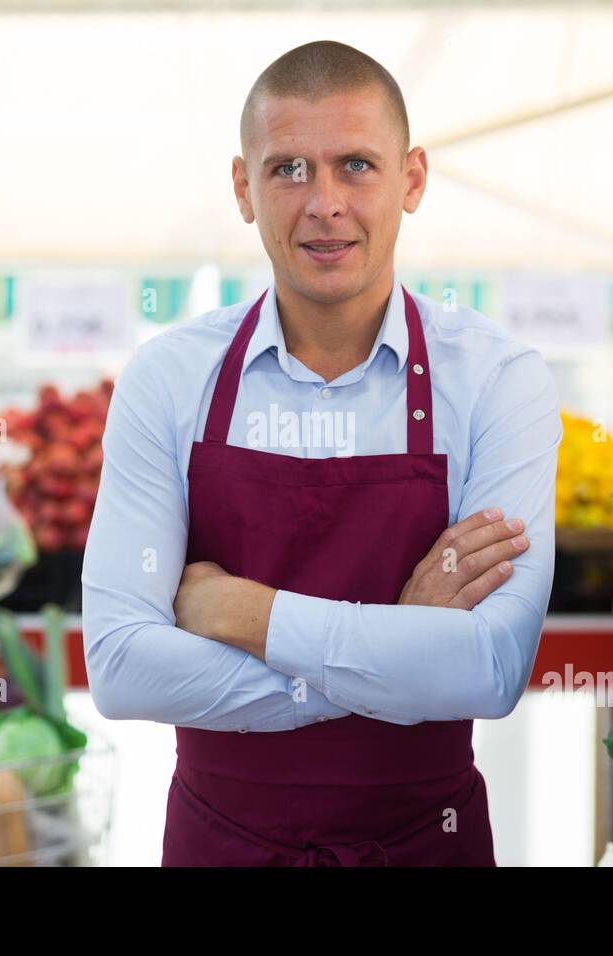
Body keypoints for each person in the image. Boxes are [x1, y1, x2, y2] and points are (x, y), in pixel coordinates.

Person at [82, 41, 562, 866]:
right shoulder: (167, 379)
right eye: (289, 169)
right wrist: (401, 648)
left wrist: (244, 614)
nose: (324, 203)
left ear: (411, 179)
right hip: (218, 846)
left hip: (428, 847)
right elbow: (123, 668)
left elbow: (488, 669)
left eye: (356, 165)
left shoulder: (498, 381)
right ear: (244, 188)